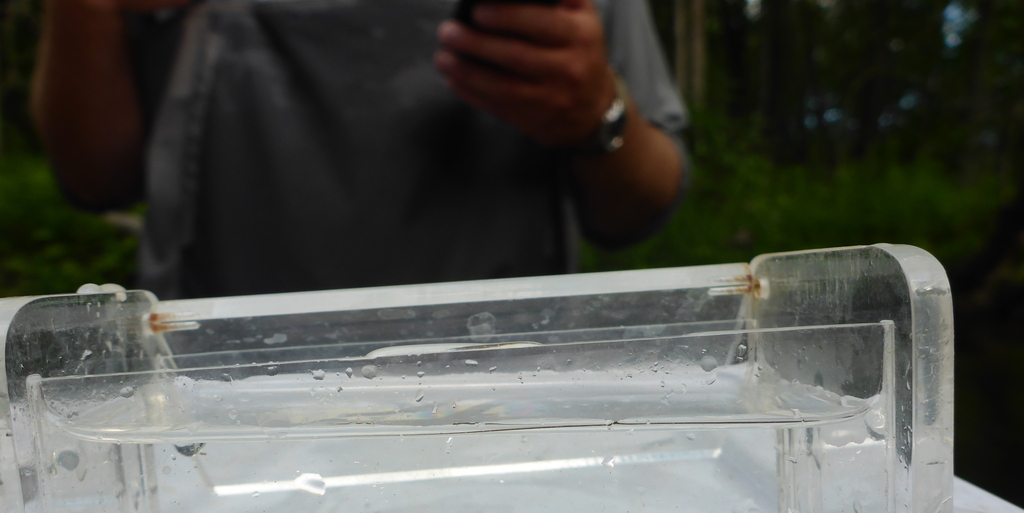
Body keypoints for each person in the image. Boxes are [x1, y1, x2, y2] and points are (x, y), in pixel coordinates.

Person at [32, 0, 687, 299]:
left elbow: (646, 202)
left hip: (503, 391)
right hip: (210, 390)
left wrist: (596, 115)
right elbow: (94, 177)